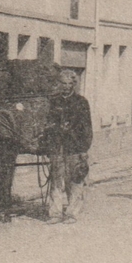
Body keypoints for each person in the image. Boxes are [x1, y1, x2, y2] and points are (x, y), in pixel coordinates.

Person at [44, 70, 93, 222]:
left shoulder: (81, 102)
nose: (66, 87)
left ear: (74, 84)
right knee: (56, 181)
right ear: (59, 84)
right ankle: (55, 213)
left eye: (69, 84)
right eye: (63, 84)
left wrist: (84, 149)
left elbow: (87, 127)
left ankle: (72, 213)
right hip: (57, 147)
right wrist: (49, 144)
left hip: (75, 147)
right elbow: (47, 124)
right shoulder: (54, 102)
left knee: (75, 180)